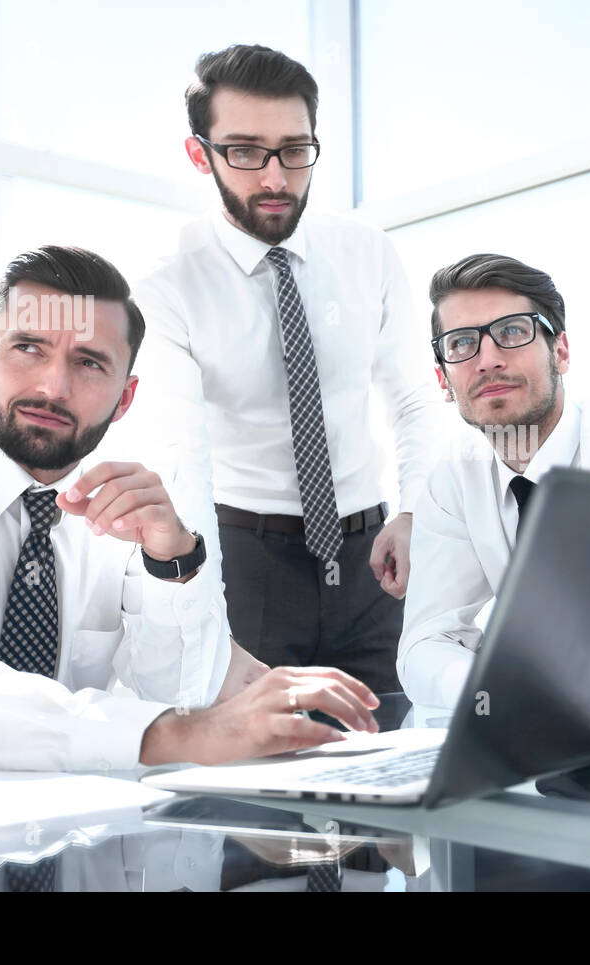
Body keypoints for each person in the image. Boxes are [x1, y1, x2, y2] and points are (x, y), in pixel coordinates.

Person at [0, 245, 379, 771]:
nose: (54, 387)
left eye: (90, 362)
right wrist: (178, 732)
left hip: (60, 835)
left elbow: (177, 692)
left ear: (124, 399)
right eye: (28, 348)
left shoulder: (116, 510)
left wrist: (173, 562)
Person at [127, 44, 438, 695]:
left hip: (370, 555)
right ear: (200, 154)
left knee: (394, 754)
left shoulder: (366, 253)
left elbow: (412, 400)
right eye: (244, 151)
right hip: (247, 559)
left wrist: (414, 516)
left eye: (294, 151)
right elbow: (185, 457)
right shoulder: (168, 282)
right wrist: (202, 605)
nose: (274, 178)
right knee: (253, 782)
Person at [397, 253, 590, 710]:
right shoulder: (453, 480)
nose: (487, 360)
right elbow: (425, 645)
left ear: (560, 351)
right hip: (529, 747)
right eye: (462, 343)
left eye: (511, 332)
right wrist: (494, 689)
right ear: (442, 379)